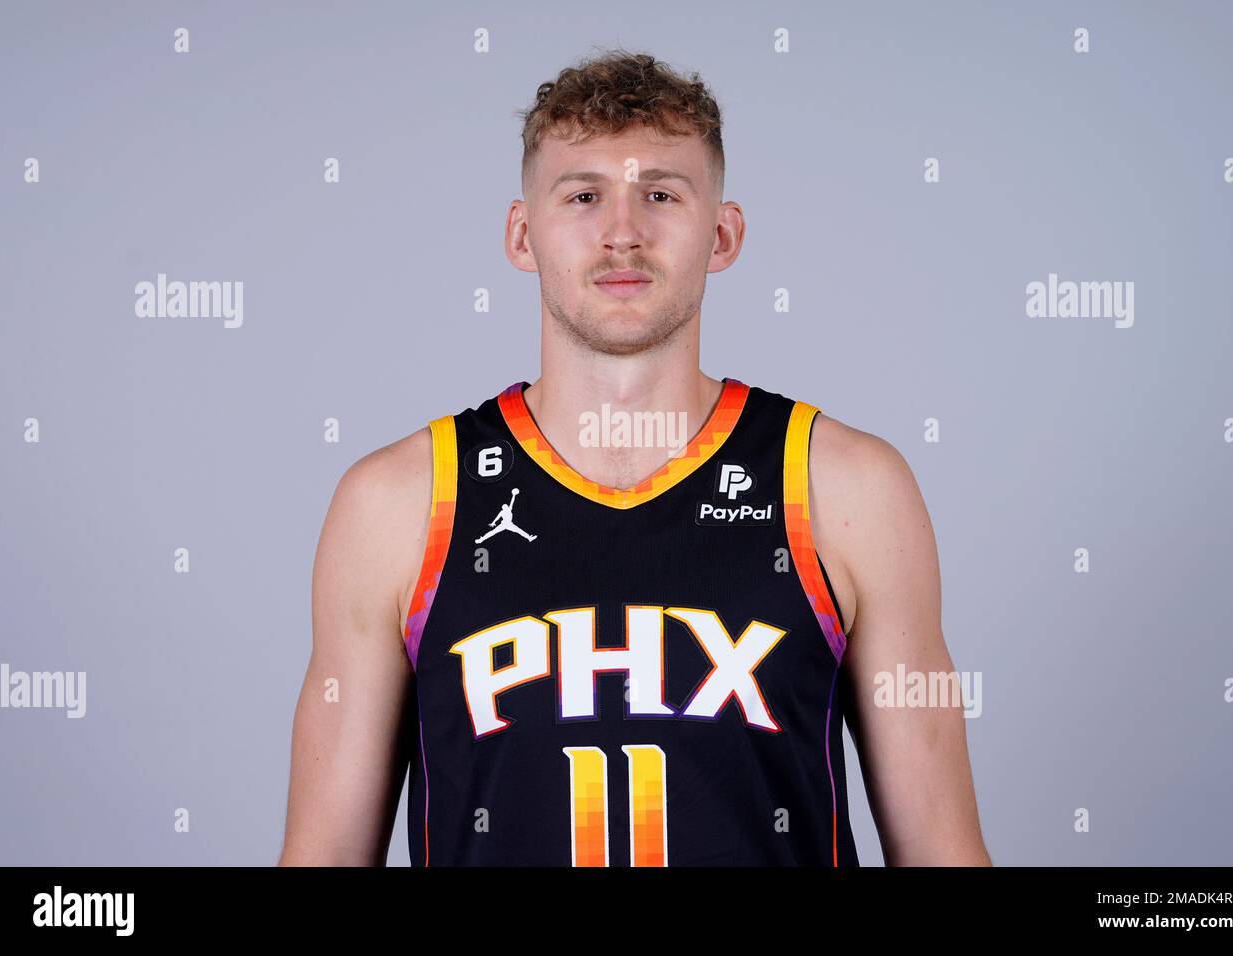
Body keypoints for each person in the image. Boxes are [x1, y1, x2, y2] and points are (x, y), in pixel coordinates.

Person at [278, 49, 991, 867]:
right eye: (584, 195)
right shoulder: (399, 502)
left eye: (660, 193)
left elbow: (943, 850)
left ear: (722, 235)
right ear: (521, 234)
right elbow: (323, 856)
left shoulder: (847, 488)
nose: (623, 231)